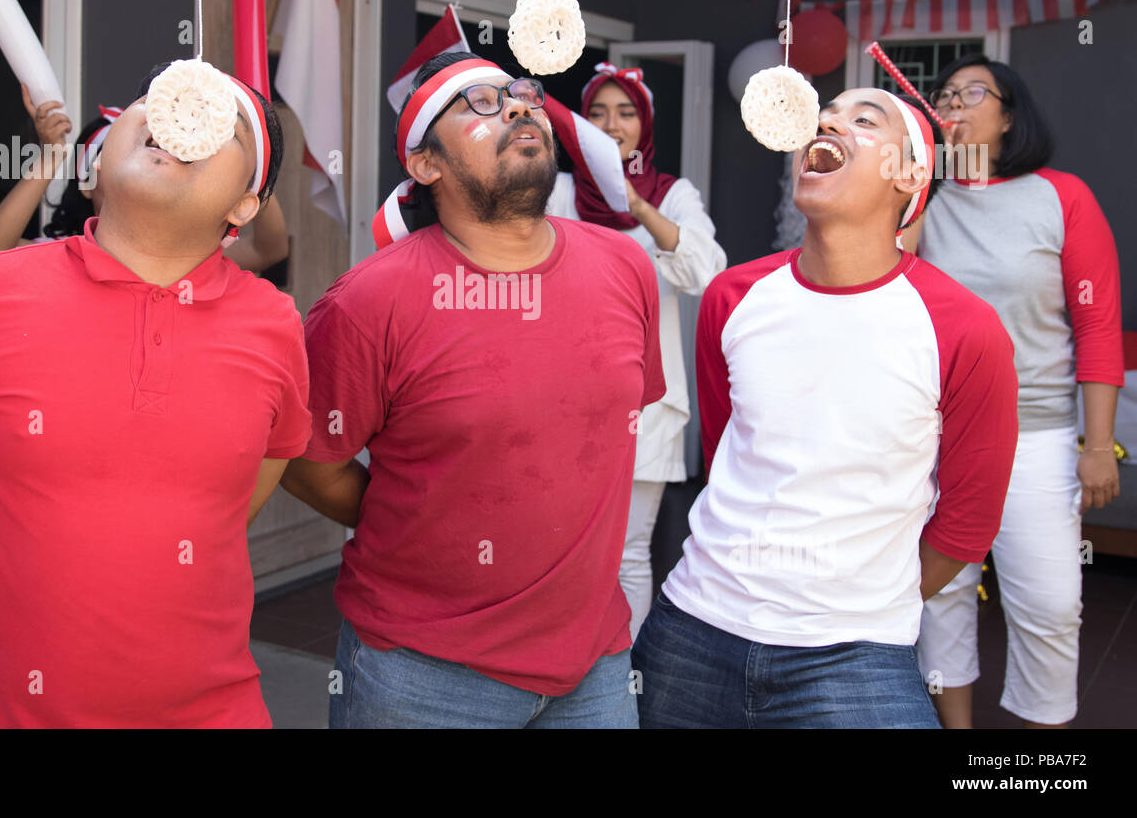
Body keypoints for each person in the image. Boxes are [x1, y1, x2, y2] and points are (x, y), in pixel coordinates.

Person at [0, 62, 309, 727]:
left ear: (244, 207)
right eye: (156, 101)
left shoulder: (277, 327)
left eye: (224, 126)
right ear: (94, 166)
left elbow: (229, 506)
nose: (181, 121)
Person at [280, 51, 666, 729]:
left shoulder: (625, 266)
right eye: (477, 104)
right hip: (423, 672)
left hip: (597, 663)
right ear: (426, 165)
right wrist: (418, 526)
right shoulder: (370, 302)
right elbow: (310, 460)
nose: (518, 108)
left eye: (520, 96)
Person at [632, 86, 1019, 728]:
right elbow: (727, 451)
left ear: (911, 175)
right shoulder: (733, 297)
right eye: (823, 118)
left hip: (856, 655)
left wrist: (854, 596)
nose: (829, 125)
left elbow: (968, 524)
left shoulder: (965, 330)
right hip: (692, 631)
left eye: (864, 120)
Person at [912, 55, 1124, 729]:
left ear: (1008, 115)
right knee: (939, 597)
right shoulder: (921, 197)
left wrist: (1098, 445)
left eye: (974, 92)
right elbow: (893, 286)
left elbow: (1096, 323)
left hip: (1037, 433)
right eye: (945, 94)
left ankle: (1039, 744)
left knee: (1052, 604)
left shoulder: (1062, 197)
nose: (956, 101)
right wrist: (919, 182)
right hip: (940, 434)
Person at [546, 63, 726, 641]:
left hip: (648, 400)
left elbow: (706, 269)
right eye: (597, 113)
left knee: (627, 553)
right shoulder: (560, 189)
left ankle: (625, 678)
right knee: (560, 544)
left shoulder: (673, 194)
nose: (611, 125)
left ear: (644, 124)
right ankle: (566, 661)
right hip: (562, 395)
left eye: (625, 113)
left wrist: (638, 206)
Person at [0, 82, 289, 273]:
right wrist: (52, 155)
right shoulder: (54, 259)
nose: (158, 149)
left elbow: (269, 250)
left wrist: (244, 167)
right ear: (89, 178)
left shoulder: (199, 262)